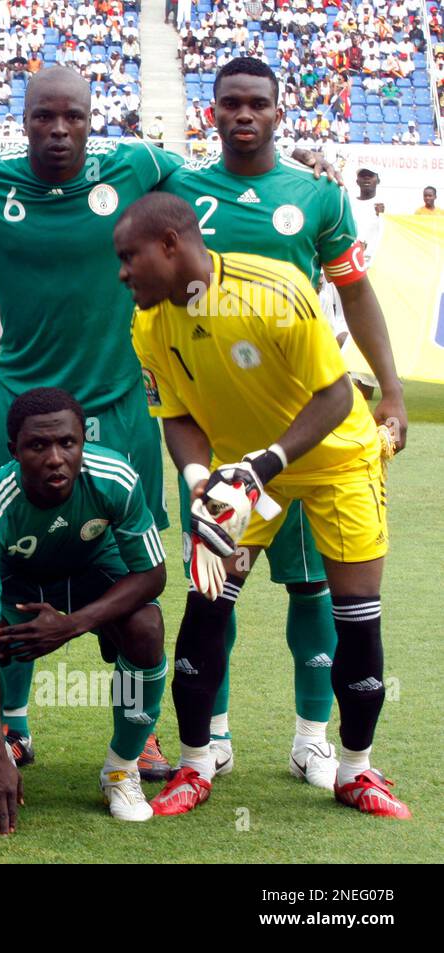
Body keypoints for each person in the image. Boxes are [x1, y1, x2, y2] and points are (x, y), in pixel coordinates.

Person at [117, 192, 411, 819]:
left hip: (337, 459)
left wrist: (261, 466)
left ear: (170, 245)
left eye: (128, 258)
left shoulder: (274, 289)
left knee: (357, 614)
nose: (122, 273)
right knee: (205, 604)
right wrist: (201, 477)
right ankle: (197, 764)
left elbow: (334, 396)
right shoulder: (147, 322)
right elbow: (177, 415)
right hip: (241, 473)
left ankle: (355, 771)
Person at [155, 56, 406, 789]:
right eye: (229, 103)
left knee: (312, 588)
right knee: (215, 587)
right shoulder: (180, 193)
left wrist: (389, 389)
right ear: (212, 112)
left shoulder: (317, 196)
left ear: (277, 111)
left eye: (256, 104)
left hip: (310, 423)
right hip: (225, 430)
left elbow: (355, 294)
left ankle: (313, 738)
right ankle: (215, 738)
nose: (242, 114)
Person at [0, 66, 181, 785]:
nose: (57, 130)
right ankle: (9, 728)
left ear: (91, 117)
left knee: (135, 572)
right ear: (24, 119)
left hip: (117, 406)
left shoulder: (137, 165)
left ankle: (141, 738)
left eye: (72, 117)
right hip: (21, 410)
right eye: (43, 116)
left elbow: (195, 206)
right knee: (6, 565)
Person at [0, 388, 167, 831]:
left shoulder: (116, 478)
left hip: (94, 576)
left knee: (147, 624)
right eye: (37, 446)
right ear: (13, 450)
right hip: (23, 587)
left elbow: (152, 574)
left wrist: (74, 624)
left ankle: (121, 769)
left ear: (82, 442)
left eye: (67, 443)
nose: (55, 458)